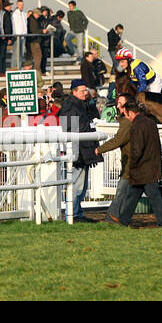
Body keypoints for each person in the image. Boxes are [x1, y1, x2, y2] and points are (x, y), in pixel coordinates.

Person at [114, 101, 162, 228]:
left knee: (154, 197)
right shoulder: (150, 123)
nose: (126, 117)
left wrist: (132, 164)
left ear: (131, 113)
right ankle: (123, 220)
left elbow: (137, 149)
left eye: (126, 115)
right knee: (133, 195)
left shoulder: (136, 126)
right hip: (151, 166)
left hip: (142, 168)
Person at [62, 80, 102, 222]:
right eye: (83, 91)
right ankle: (72, 215)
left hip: (84, 148)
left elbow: (94, 118)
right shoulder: (70, 106)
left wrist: (91, 104)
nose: (86, 93)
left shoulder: (83, 105)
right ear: (74, 91)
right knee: (77, 185)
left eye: (86, 90)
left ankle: (77, 213)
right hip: (78, 150)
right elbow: (71, 128)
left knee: (82, 186)